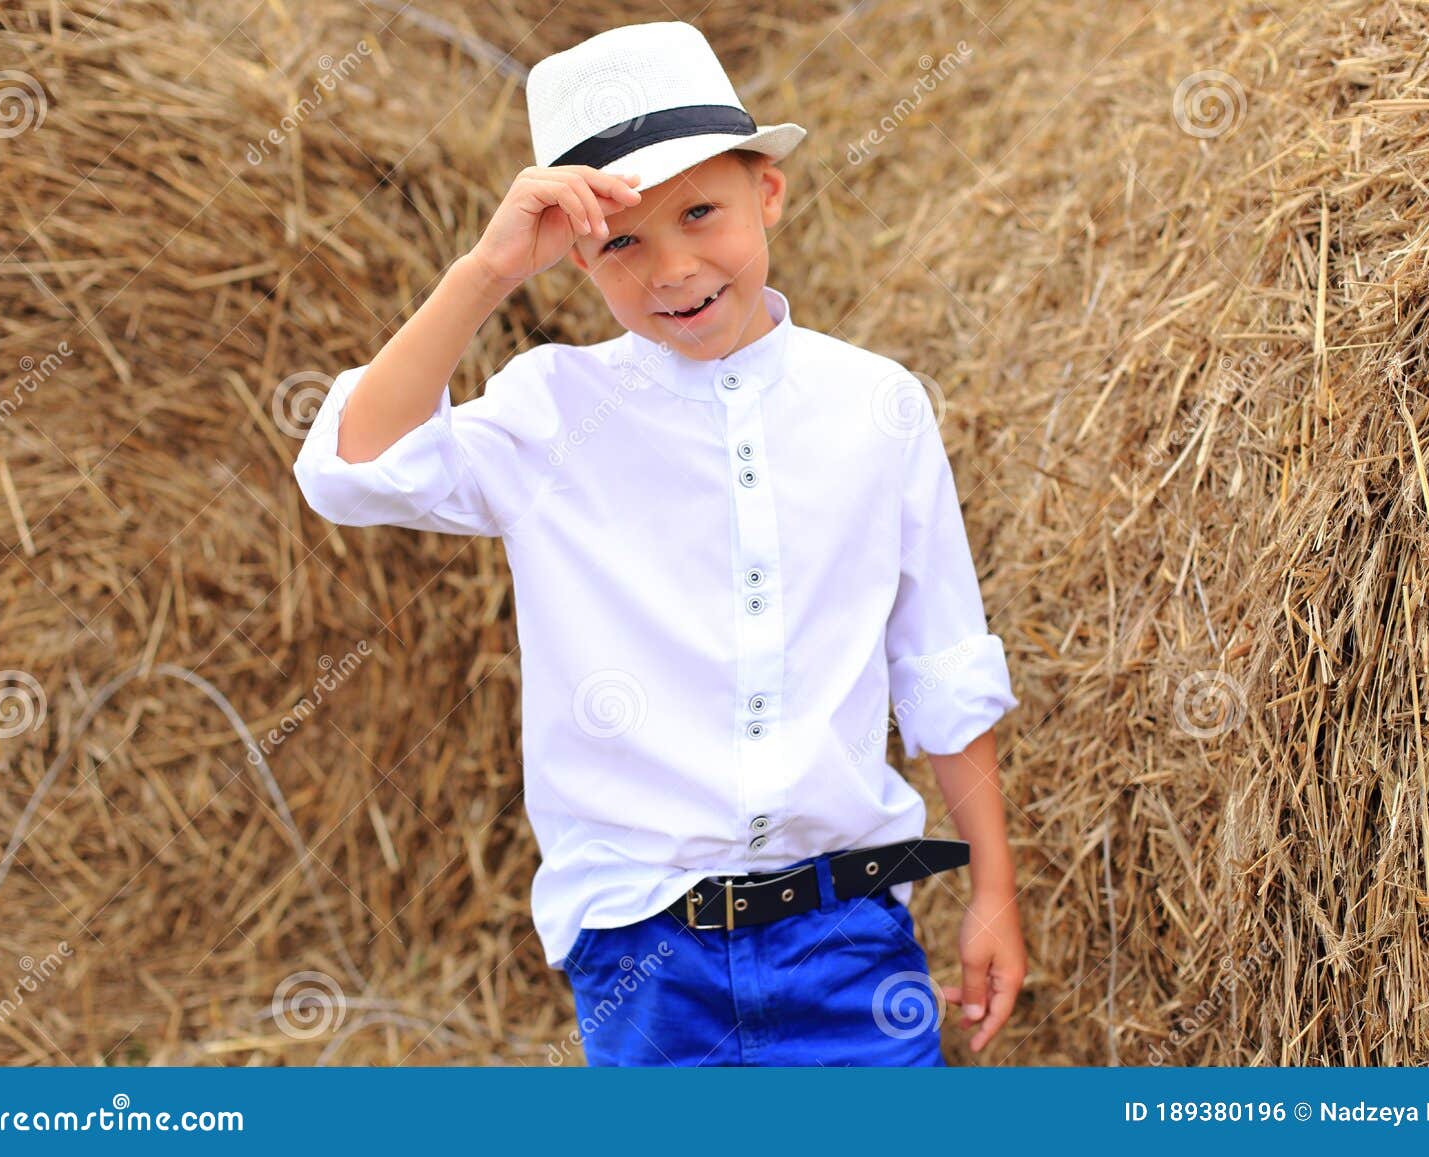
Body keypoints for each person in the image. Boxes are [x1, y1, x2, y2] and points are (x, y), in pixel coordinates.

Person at [293, 19, 1025, 1066]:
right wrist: (485, 272)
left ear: (768, 191)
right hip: (644, 949)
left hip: (851, 933)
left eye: (700, 213)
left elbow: (940, 660)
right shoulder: (551, 408)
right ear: (574, 255)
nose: (674, 268)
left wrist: (993, 886)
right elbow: (352, 469)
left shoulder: (878, 404)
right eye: (622, 242)